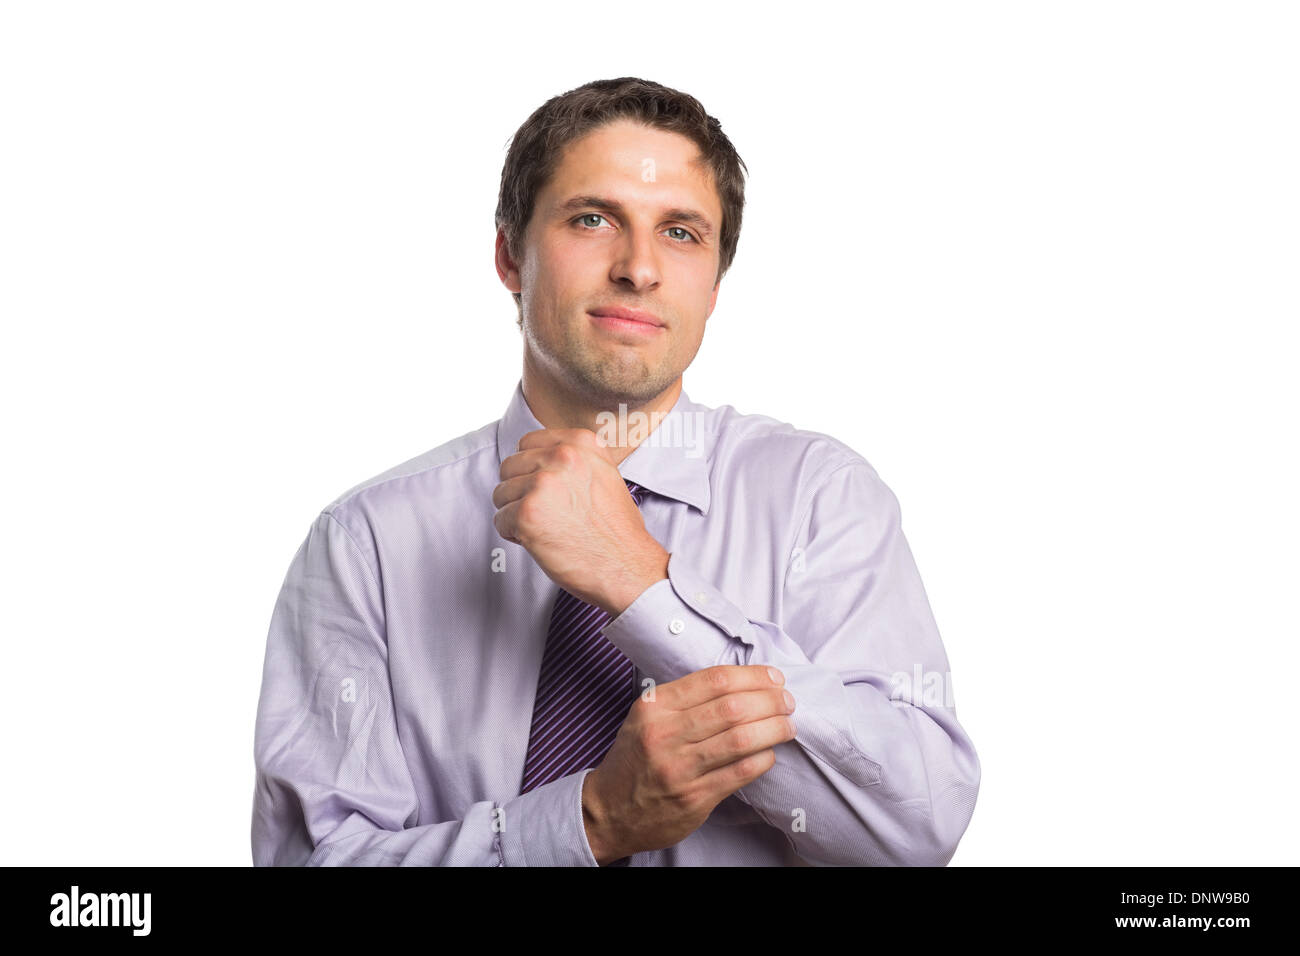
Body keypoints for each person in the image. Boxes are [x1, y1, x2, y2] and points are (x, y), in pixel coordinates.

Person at [250, 76, 981, 866]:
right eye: (593, 220)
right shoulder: (366, 542)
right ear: (509, 256)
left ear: (714, 282)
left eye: (681, 232)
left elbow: (914, 832)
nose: (639, 268)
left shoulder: (819, 501)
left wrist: (642, 586)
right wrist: (590, 823)